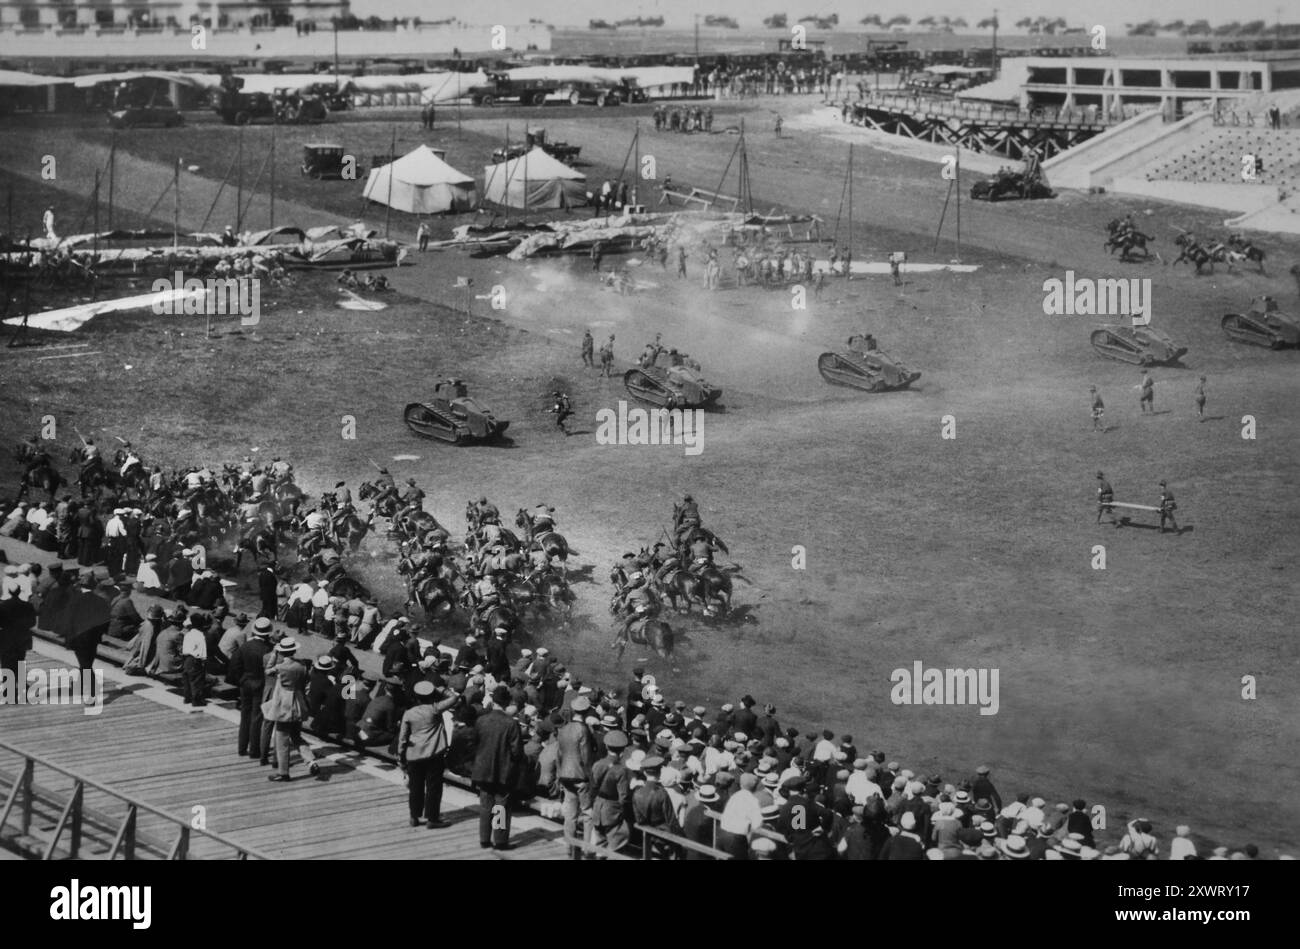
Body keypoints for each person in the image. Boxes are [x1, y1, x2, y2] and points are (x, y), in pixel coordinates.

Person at [399, 680, 460, 828]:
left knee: (415, 787)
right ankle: (432, 818)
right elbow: (454, 698)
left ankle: (414, 816)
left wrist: (401, 758)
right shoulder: (435, 709)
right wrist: (440, 689)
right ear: (431, 695)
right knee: (434, 787)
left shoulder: (408, 714)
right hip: (434, 753)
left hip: (414, 754)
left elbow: (403, 739)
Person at [472, 684, 524, 850]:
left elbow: (474, 743)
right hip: (503, 771)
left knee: (485, 805)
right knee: (500, 806)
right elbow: (517, 752)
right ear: (507, 703)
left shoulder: (481, 720)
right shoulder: (511, 724)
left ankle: (484, 839)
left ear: (493, 701)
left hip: (483, 769)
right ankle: (500, 840)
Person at [263, 637, 319, 782]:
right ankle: (311, 760)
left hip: (283, 704)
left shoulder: (281, 667)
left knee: (282, 739)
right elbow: (307, 684)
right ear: (294, 650)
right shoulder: (302, 666)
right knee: (297, 736)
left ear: (282, 652)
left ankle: (283, 772)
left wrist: (274, 654)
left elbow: (267, 671)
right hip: (298, 702)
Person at [229, 618, 273, 759]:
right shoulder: (269, 649)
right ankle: (254, 750)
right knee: (256, 718)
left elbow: (235, 665)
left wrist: (242, 680)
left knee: (245, 716)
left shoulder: (245, 646)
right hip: (261, 685)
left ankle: (242, 748)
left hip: (246, 683)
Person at [182, 612, 210, 706]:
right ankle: (196, 700)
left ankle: (187, 697)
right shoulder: (201, 636)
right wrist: (204, 660)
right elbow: (202, 651)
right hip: (195, 660)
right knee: (196, 681)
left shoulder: (188, 634)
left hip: (187, 659)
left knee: (187, 679)